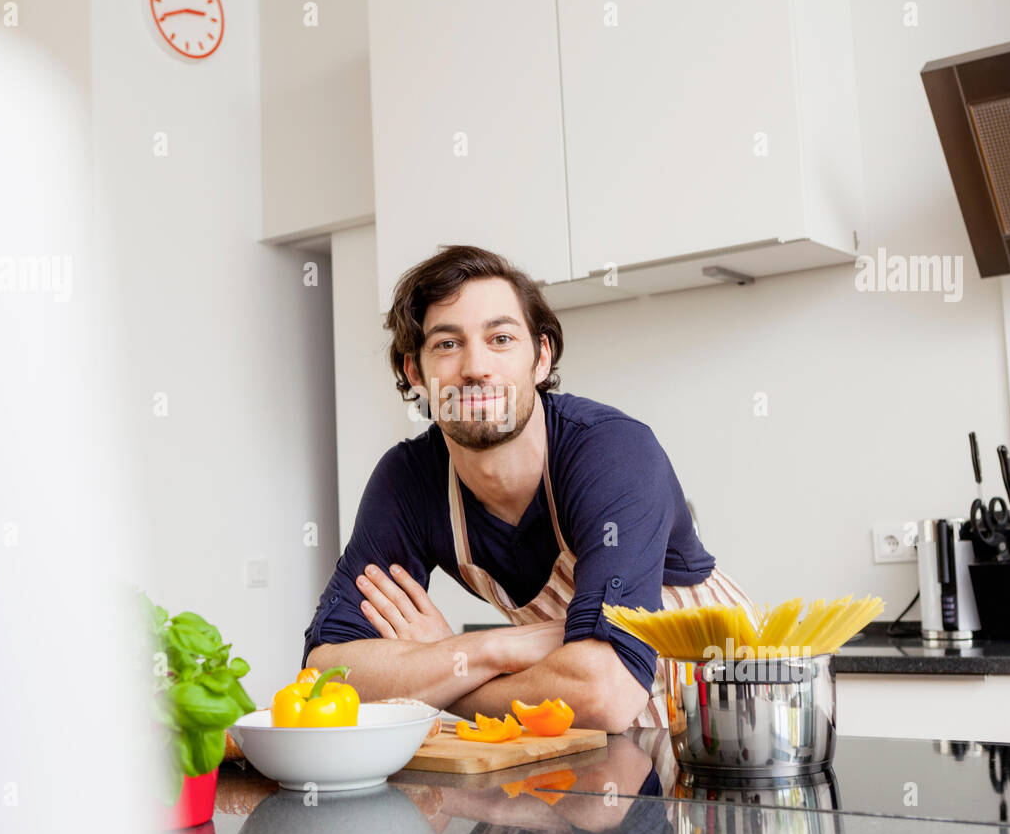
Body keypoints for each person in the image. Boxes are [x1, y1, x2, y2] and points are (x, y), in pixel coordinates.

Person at [303, 245, 754, 734]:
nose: (475, 368)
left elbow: (604, 693)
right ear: (417, 374)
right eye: (447, 344)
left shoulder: (613, 452)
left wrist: (446, 673)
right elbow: (323, 678)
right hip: (578, 739)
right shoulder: (409, 481)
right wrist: (489, 647)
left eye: (500, 338)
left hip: (729, 723)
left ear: (541, 359)